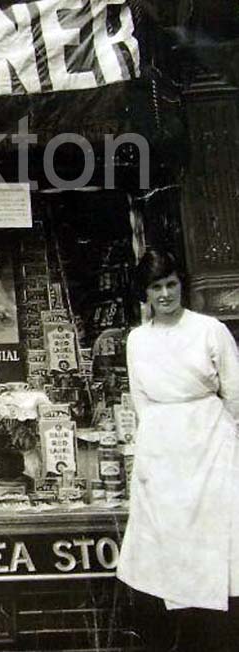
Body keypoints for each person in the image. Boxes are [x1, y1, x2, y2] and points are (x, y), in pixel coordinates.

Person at [117, 249, 239, 651]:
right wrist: (151, 452)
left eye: (171, 284)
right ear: (145, 294)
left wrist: (227, 443)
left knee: (215, 541)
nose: (166, 294)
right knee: (168, 544)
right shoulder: (137, 339)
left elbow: (235, 394)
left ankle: (217, 635)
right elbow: (141, 400)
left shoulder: (210, 329)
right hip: (163, 446)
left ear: (181, 284)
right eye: (156, 287)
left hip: (211, 443)